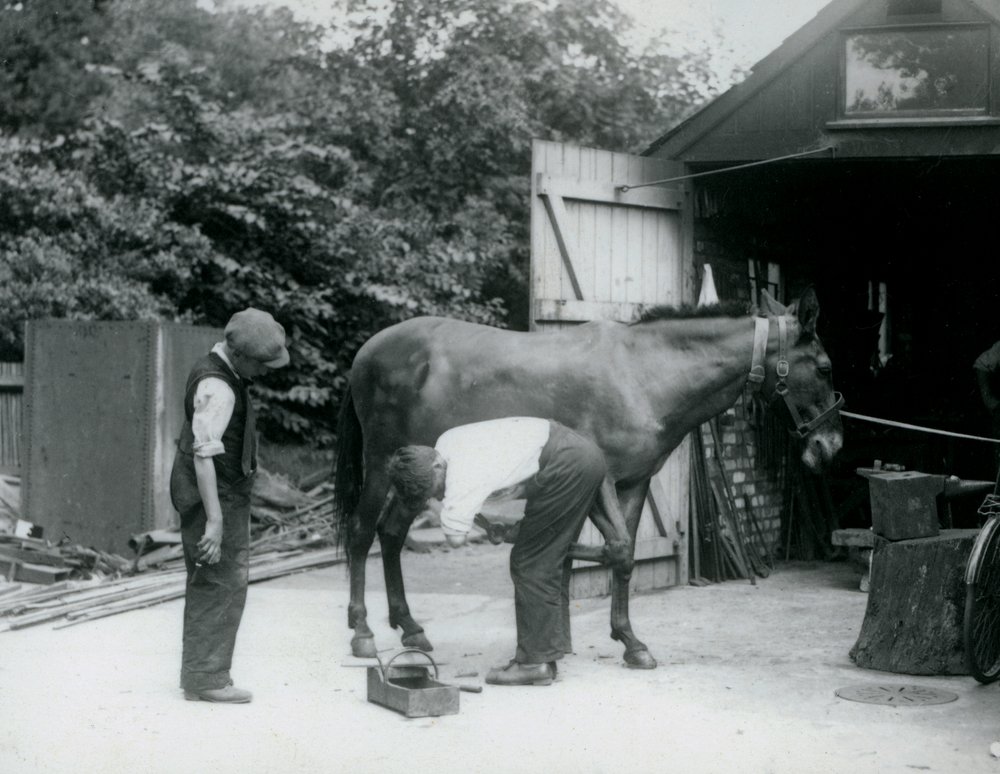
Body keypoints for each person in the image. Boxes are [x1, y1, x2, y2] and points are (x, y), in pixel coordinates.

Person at [385, 417, 608, 686]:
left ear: (436, 465)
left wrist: (437, 507)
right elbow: (496, 481)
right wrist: (497, 526)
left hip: (567, 464)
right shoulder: (446, 443)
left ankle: (535, 663)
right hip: (572, 452)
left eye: (436, 489)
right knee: (545, 559)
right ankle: (545, 655)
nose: (441, 495)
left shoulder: (459, 475)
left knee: (530, 563)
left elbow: (456, 537)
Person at [169, 307, 290, 703]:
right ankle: (207, 678)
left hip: (219, 490)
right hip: (213, 495)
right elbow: (204, 456)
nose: (267, 371)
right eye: (262, 364)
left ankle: (204, 673)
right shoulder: (218, 387)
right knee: (218, 581)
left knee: (221, 581)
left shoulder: (223, 369)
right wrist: (215, 521)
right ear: (239, 356)